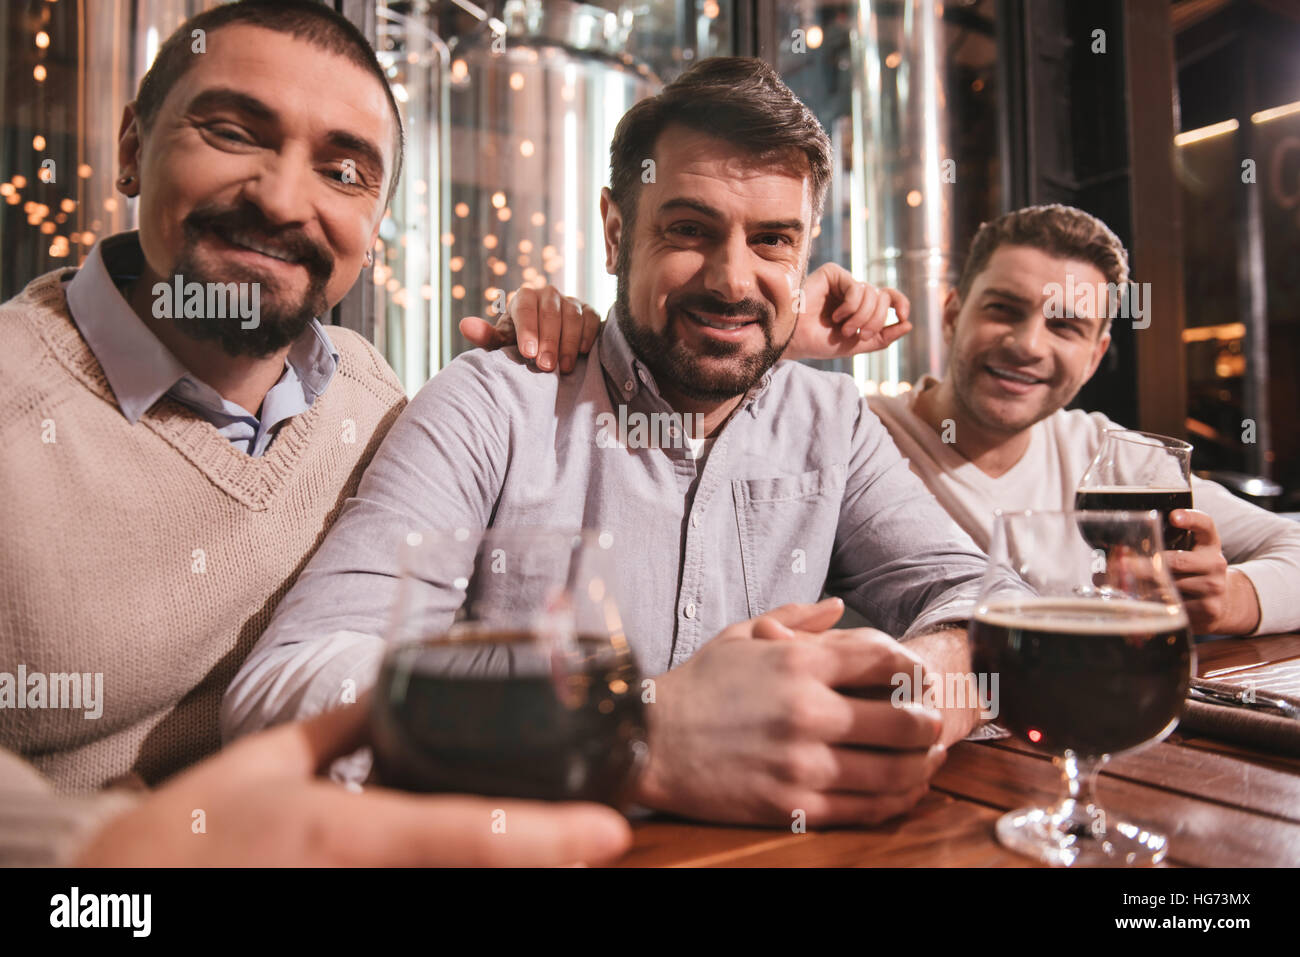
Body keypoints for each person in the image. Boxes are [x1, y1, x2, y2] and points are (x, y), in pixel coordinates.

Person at [223, 56, 1019, 830]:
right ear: (615, 232)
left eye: (773, 240)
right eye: (688, 228)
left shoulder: (832, 421)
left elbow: (1000, 607)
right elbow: (289, 689)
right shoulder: (494, 402)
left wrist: (918, 695)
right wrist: (631, 734)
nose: (734, 280)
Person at [1, 0, 631, 867]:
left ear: (373, 231)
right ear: (129, 150)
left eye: (344, 173)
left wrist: (601, 350)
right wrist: (102, 857)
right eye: (232, 131)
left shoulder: (372, 393)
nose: (283, 198)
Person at [865, 205, 1300, 636]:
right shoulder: (859, 434)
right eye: (1003, 309)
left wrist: (1229, 600)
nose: (1028, 344)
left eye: (1065, 325)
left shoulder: (1104, 455)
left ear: (1094, 355)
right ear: (952, 315)